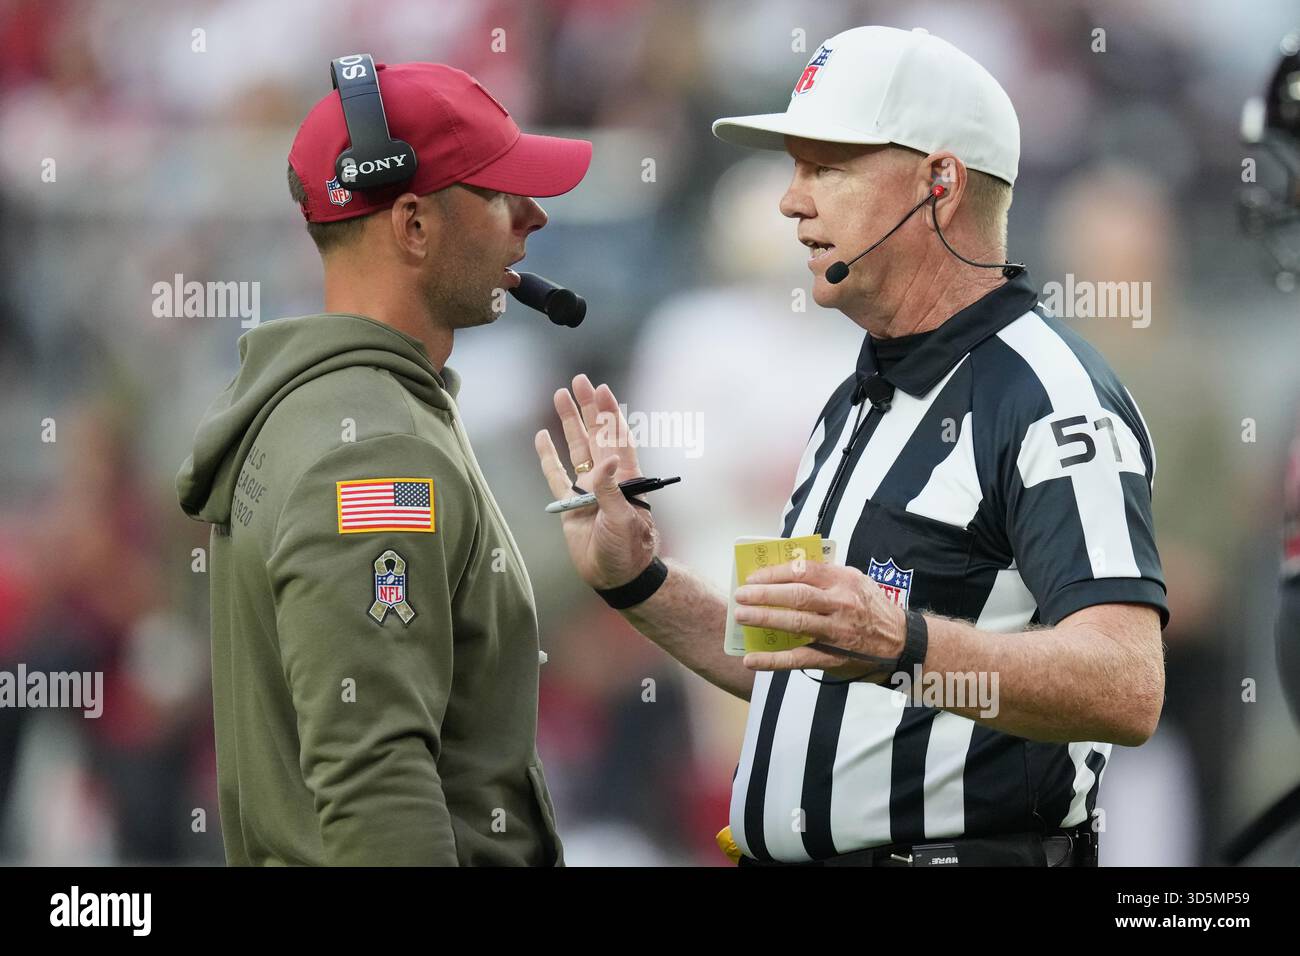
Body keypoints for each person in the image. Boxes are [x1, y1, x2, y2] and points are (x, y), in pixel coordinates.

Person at [536, 26, 1167, 867]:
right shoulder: (862, 391)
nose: (791, 202)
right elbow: (804, 677)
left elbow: (1127, 684)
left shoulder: (1047, 394)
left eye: (826, 167)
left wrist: (903, 641)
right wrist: (638, 580)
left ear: (939, 182)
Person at [177, 60, 591, 865]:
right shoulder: (371, 450)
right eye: (500, 191)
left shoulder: (330, 410)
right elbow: (378, 783)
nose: (533, 216)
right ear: (412, 226)